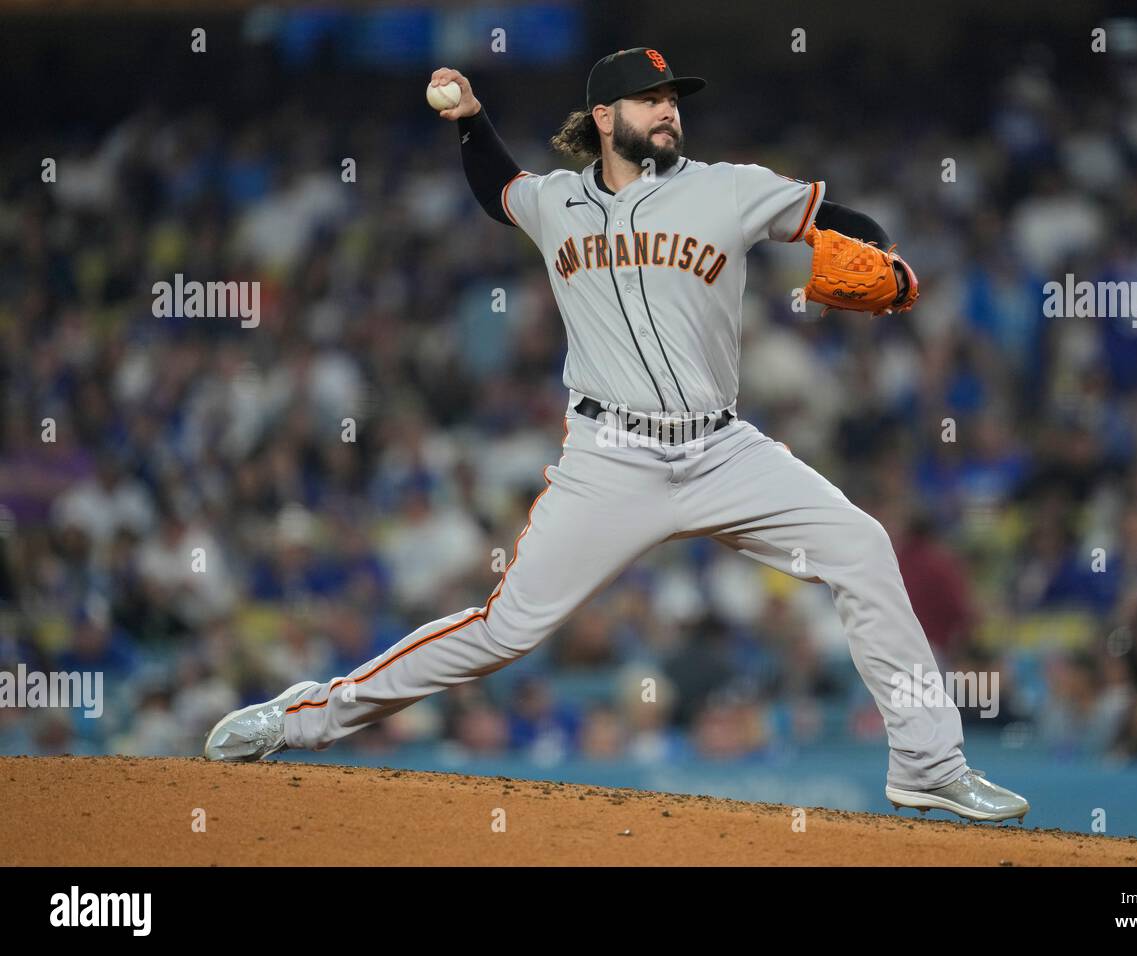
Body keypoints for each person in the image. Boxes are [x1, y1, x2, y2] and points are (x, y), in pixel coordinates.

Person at [204, 47, 1029, 823]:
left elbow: (834, 218)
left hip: (721, 449)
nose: (669, 111)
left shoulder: (728, 187)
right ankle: (302, 717)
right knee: (502, 632)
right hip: (611, 458)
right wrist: (469, 119)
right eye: (651, 99)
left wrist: (881, 252)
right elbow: (498, 188)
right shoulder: (557, 202)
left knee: (861, 547)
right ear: (604, 115)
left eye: (674, 99)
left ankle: (928, 766)